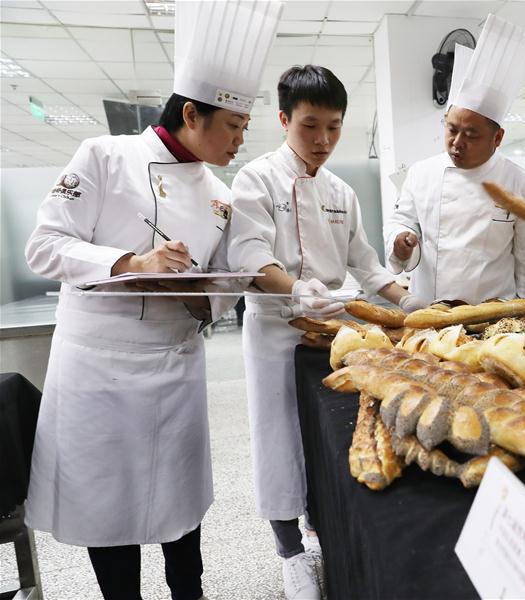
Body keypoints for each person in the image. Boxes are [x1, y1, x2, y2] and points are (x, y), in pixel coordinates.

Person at [22, 2, 282, 599]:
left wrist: (205, 299)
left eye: (246, 129)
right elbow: (45, 246)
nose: (241, 141)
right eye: (233, 127)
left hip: (175, 366)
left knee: (179, 505)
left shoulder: (220, 195)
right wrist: (129, 264)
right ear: (191, 113)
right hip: (98, 368)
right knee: (106, 507)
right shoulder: (103, 157)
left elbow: (219, 283)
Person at [227, 65, 413, 600]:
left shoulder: (340, 192)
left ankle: (323, 531)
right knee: (280, 440)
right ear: (283, 119)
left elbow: (369, 268)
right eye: (310, 126)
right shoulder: (256, 178)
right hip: (274, 333)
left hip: (337, 337)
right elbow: (249, 255)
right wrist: (297, 289)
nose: (324, 140)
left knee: (332, 439)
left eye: (334, 127)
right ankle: (289, 552)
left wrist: (409, 302)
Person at [384, 14, 525, 305]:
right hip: (431, 314)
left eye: (471, 134)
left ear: (497, 138)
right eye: (452, 129)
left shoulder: (521, 184)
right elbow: (402, 220)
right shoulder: (421, 174)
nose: (457, 143)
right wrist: (401, 239)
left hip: (493, 321)